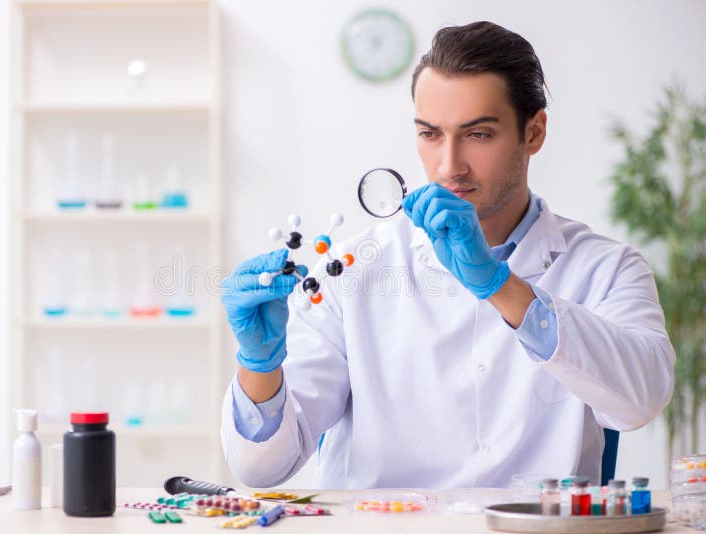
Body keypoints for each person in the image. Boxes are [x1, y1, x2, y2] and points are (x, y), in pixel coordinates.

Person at [219, 21, 675, 489]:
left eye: (478, 135)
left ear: (533, 132)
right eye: (430, 134)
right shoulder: (352, 270)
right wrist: (259, 367)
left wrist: (500, 285)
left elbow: (641, 401)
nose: (448, 165)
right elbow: (262, 470)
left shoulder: (606, 267)